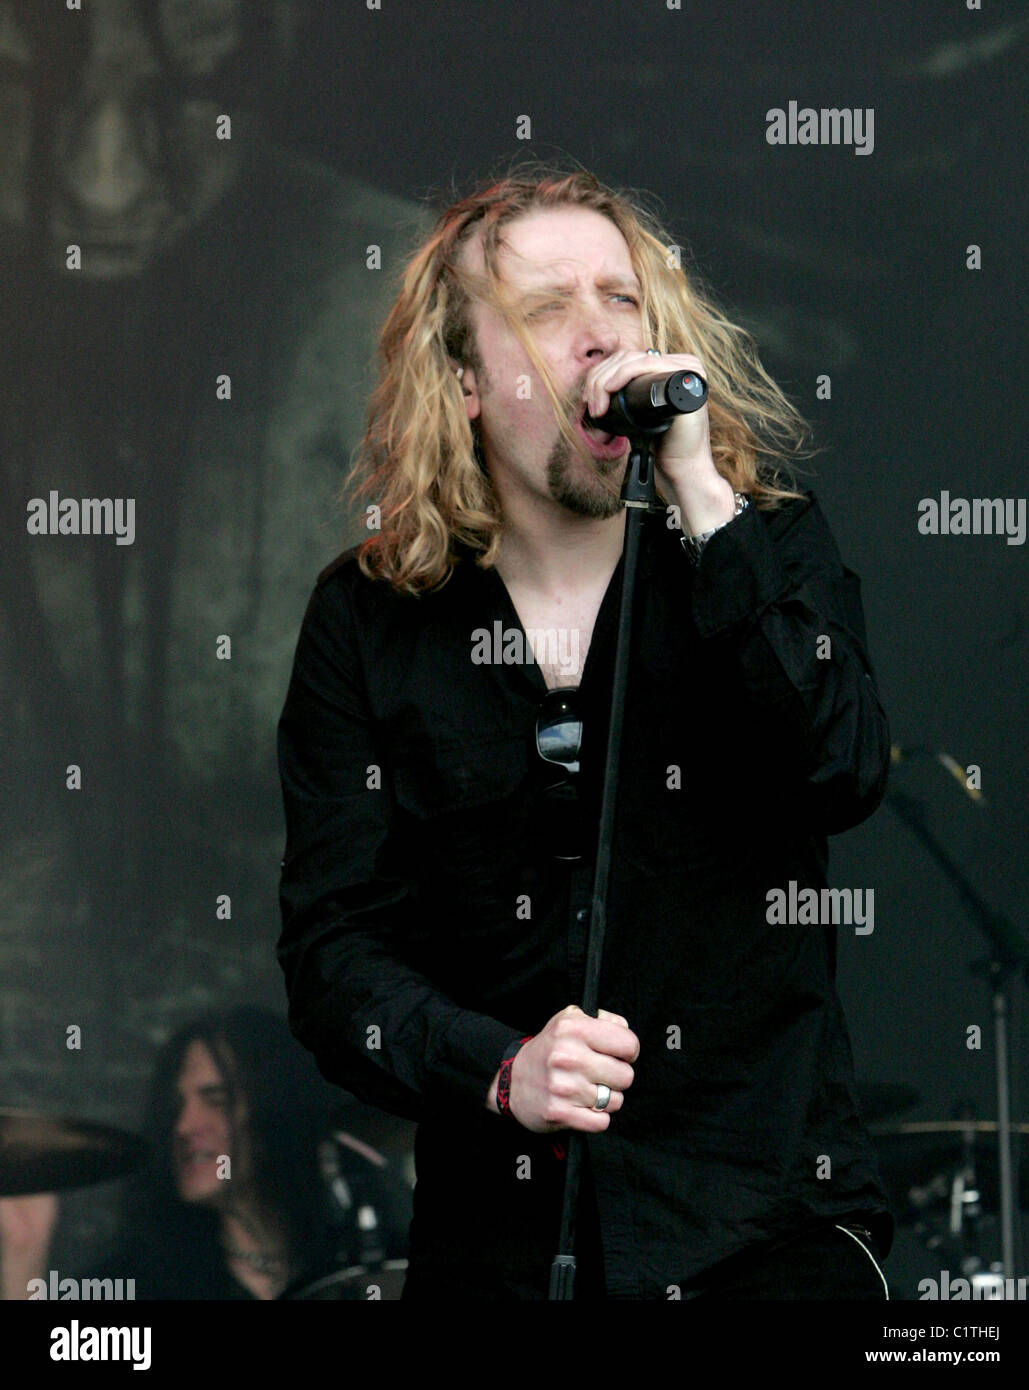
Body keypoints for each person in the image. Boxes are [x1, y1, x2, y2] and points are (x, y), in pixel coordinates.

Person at [276, 163, 894, 1300]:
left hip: (762, 1236)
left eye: (623, 300)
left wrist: (707, 500)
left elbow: (842, 767)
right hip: (496, 1242)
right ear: (461, 379)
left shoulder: (768, 553)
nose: (602, 340)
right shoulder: (370, 621)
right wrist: (502, 1068)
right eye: (549, 310)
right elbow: (333, 958)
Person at [1, 1007, 410, 1300]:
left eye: (216, 1099)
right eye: (176, 1107)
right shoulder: (136, 1283)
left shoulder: (371, 1260)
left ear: (276, 1112)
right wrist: (23, 1265)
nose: (183, 1126)